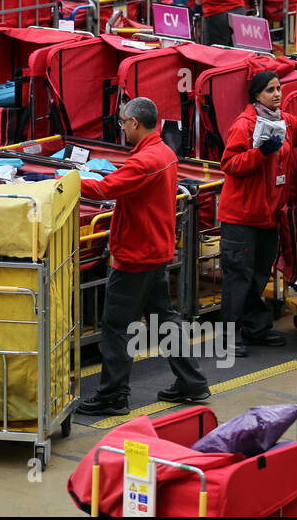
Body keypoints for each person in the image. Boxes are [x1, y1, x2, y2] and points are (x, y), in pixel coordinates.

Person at [74, 97, 211, 415]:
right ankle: (192, 382)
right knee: (166, 320)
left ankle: (113, 394)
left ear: (135, 123)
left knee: (116, 326)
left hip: (135, 257)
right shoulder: (164, 153)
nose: (121, 128)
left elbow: (105, 190)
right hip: (156, 252)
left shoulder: (144, 160)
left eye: (123, 122)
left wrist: (65, 182)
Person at [219, 71, 297, 357]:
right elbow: (230, 164)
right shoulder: (244, 126)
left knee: (259, 274)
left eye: (279, 89)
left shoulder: (281, 119)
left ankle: (255, 328)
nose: (277, 94)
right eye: (270, 90)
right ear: (256, 95)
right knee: (238, 277)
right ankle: (228, 337)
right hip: (241, 219)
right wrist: (259, 153)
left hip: (268, 217)